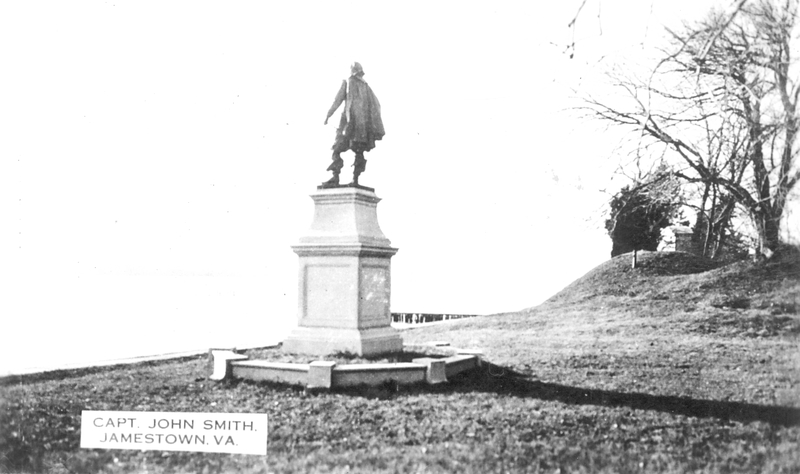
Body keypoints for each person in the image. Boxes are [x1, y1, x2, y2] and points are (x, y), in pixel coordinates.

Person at [322, 62, 385, 186]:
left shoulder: (348, 82)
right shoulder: (365, 86)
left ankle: (337, 177)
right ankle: (353, 179)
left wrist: (328, 115)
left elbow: (337, 100)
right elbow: (376, 105)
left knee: (337, 148)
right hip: (361, 126)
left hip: (348, 123)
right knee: (357, 151)